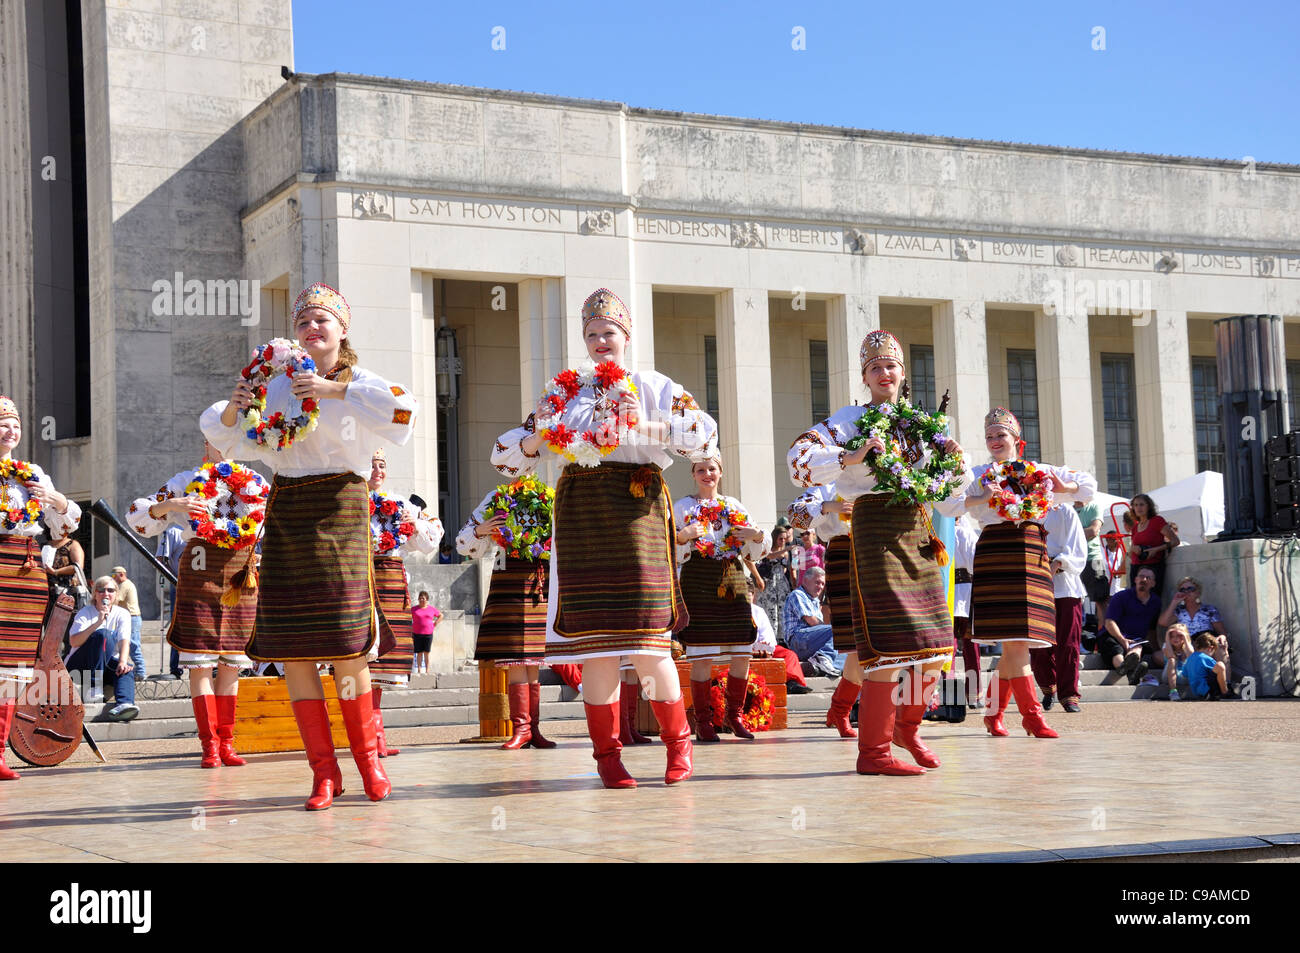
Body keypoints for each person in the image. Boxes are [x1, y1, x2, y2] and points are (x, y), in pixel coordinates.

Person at [202, 282, 418, 810]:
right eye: (303, 321)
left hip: (341, 506)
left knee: (347, 646)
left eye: (323, 320)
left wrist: (330, 390)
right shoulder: (272, 386)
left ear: (342, 331)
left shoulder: (359, 382)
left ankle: (369, 763)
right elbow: (228, 441)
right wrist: (236, 407)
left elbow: (403, 414)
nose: (313, 328)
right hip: (289, 510)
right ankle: (324, 772)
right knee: (294, 651)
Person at [490, 287, 716, 789]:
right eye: (591, 333)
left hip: (636, 507)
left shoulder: (653, 384)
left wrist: (645, 426)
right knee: (596, 646)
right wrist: (539, 439)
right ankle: (607, 758)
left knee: (649, 642)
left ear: (627, 336)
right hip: (583, 513)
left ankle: (679, 746)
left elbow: (701, 435)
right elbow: (508, 455)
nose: (599, 341)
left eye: (608, 332)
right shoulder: (566, 390)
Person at [788, 330, 970, 775]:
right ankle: (873, 753)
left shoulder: (922, 427)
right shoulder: (849, 419)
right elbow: (799, 459)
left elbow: (951, 500)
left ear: (903, 374)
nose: (884, 373)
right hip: (874, 533)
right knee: (887, 647)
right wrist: (849, 456)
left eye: (891, 366)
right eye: (875, 368)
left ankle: (908, 728)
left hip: (918, 530)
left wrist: (957, 465)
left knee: (936, 645)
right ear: (865, 377)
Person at [952, 406, 1095, 741]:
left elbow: (1087, 487)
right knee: (1017, 645)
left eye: (1000, 434)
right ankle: (1031, 718)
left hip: (1031, 552)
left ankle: (994, 714)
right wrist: (981, 498)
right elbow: (947, 502)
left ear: (1018, 440)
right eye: (989, 436)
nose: (994, 441)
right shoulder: (978, 473)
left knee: (1016, 645)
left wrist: (1067, 488)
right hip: (995, 550)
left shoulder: (1040, 471)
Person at [127, 440, 269, 767]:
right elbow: (139, 513)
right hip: (200, 569)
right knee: (201, 659)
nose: (224, 444)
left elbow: (271, 523)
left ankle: (228, 742)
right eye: (216, 437)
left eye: (230, 437)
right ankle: (209, 745)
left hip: (240, 573)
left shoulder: (256, 482)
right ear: (205, 442)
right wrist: (172, 505)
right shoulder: (187, 480)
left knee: (232, 663)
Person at [0, 396, 82, 781]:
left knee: (14, 669)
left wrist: (59, 500)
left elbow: (64, 526)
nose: (10, 430)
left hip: (25, 570)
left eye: (15, 424)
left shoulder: (30, 473)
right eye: (3, 423)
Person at [456, 469, 557, 751]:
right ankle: (521, 728)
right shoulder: (496, 498)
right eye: (519, 464)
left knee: (533, 659)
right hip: (508, 575)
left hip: (539, 578)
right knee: (515, 655)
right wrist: (479, 531)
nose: (525, 469)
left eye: (530, 463)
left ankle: (533, 729)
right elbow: (464, 541)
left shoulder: (548, 497)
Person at [673, 454, 768, 742]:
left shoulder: (733, 506)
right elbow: (666, 542)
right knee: (702, 655)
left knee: (742, 651)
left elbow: (755, 547)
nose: (707, 474)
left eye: (712, 469)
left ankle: (734, 716)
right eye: (701, 469)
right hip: (698, 578)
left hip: (733, 578)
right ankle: (703, 722)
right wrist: (682, 537)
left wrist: (757, 534)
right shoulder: (683, 506)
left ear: (720, 472)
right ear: (693, 473)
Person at [365, 448, 443, 757]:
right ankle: (367, 737)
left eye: (382, 465)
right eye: (372, 465)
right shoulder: (350, 502)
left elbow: (427, 544)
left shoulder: (399, 504)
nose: (378, 471)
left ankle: (376, 736)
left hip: (392, 585)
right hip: (362, 582)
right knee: (362, 663)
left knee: (383, 665)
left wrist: (416, 521)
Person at [788, 483, 859, 737]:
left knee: (874, 642)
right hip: (842, 555)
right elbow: (795, 513)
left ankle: (840, 708)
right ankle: (841, 710)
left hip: (876, 553)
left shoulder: (875, 473)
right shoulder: (828, 483)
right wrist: (831, 506)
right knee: (855, 644)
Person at [1029, 503, 1089, 713]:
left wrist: (1057, 564)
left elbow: (1078, 548)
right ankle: (1048, 687)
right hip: (1035, 584)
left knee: (1069, 643)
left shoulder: (1064, 511)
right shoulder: (1023, 508)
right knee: (1038, 643)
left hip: (1066, 587)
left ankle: (1069, 695)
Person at [65, 576, 138, 721]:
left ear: (116, 594)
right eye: (101, 590)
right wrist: (98, 622)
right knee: (103, 634)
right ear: (95, 594)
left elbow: (124, 641)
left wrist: (122, 662)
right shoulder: (85, 613)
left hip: (105, 664)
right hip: (80, 666)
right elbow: (73, 641)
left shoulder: (122, 614)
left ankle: (125, 704)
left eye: (110, 590)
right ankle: (93, 686)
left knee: (126, 668)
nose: (106, 594)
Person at [1157, 575, 1233, 686]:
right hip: (1185, 644)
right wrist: (1174, 602)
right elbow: (1163, 622)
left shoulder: (1209, 609)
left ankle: (1227, 685)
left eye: (1190, 589)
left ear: (1198, 592)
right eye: (1183, 589)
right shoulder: (1179, 610)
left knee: (1220, 648)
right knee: (1157, 656)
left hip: (1205, 642)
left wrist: (1222, 637)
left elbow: (1222, 631)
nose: (1187, 592)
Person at [1097, 566, 1163, 685]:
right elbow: (1109, 622)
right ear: (1135, 579)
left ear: (1153, 583)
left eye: (1148, 578)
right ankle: (1124, 668)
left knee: (1138, 647)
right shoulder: (1121, 597)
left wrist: (1156, 649)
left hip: (1136, 640)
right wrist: (1122, 639)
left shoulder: (1156, 602)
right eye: (1141, 576)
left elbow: (1152, 630)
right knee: (1116, 649)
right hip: (1113, 635)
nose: (1144, 579)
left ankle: (1129, 669)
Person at [780, 568, 844, 677]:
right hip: (798, 640)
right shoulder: (798, 594)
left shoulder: (814, 601)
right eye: (817, 582)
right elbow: (812, 621)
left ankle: (821, 668)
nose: (820, 586)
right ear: (805, 580)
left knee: (846, 641)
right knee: (838, 630)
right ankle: (822, 659)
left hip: (809, 641)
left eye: (823, 584)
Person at [951, 512, 983, 709]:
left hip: (949, 593)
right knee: (970, 645)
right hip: (966, 591)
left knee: (950, 646)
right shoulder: (966, 534)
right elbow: (975, 564)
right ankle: (973, 695)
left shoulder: (937, 534)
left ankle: (949, 694)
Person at [1127, 493, 1179, 593]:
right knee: (1135, 600)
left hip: (1153, 566)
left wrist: (1156, 549)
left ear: (1148, 506)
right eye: (1136, 505)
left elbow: (1175, 541)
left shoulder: (1157, 521)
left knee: (1152, 599)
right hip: (1136, 567)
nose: (1138, 508)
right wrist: (1133, 548)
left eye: (1142, 504)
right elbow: (1131, 550)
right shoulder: (1135, 527)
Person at [754, 525, 796, 636]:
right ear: (775, 538)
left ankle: (782, 637)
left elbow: (788, 569)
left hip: (781, 584)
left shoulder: (786, 553)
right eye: (780, 538)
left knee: (782, 610)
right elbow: (771, 556)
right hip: (770, 584)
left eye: (784, 539)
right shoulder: (768, 549)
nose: (783, 541)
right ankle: (770, 636)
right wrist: (786, 549)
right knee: (770, 609)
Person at [1074, 498, 1109, 622]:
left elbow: (1093, 531)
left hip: (1094, 559)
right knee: (1074, 599)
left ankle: (1105, 635)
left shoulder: (1095, 506)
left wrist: (1073, 534)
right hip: (1074, 561)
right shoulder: (1069, 510)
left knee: (1102, 600)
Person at [111, 566, 146, 680]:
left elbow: (116, 600)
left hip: (132, 617)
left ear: (121, 574)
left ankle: (141, 671)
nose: (113, 579)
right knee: (131, 644)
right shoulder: (125, 584)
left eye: (113, 576)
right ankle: (139, 670)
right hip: (132, 617)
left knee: (133, 645)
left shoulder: (124, 585)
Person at [42, 530, 86, 609]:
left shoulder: (73, 544)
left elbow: (78, 567)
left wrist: (56, 572)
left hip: (67, 593)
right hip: (46, 591)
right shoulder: (45, 545)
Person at [1184, 632, 1233, 700]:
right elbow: (1218, 670)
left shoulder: (1190, 658)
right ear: (1210, 648)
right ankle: (1225, 692)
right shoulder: (1206, 658)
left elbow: (1184, 673)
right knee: (1220, 665)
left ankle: (1208, 695)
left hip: (1195, 691)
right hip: (1208, 689)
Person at [409, 591, 440, 676]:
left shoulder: (431, 609)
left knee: (426, 652)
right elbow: (407, 616)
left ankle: (427, 670)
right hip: (417, 633)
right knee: (419, 653)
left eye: (423, 598)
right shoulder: (414, 609)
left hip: (428, 634)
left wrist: (435, 624)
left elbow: (441, 615)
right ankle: (419, 670)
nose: (422, 599)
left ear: (427, 599)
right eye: (420, 598)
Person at [1161, 623, 1194, 700]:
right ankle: (1173, 691)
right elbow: (1170, 655)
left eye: (1179, 636)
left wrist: (1185, 638)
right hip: (1169, 677)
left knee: (1193, 661)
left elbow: (1191, 655)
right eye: (1172, 636)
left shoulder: (1188, 646)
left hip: (1185, 676)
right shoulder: (1166, 646)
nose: (1175, 639)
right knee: (1172, 660)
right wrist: (1167, 635)